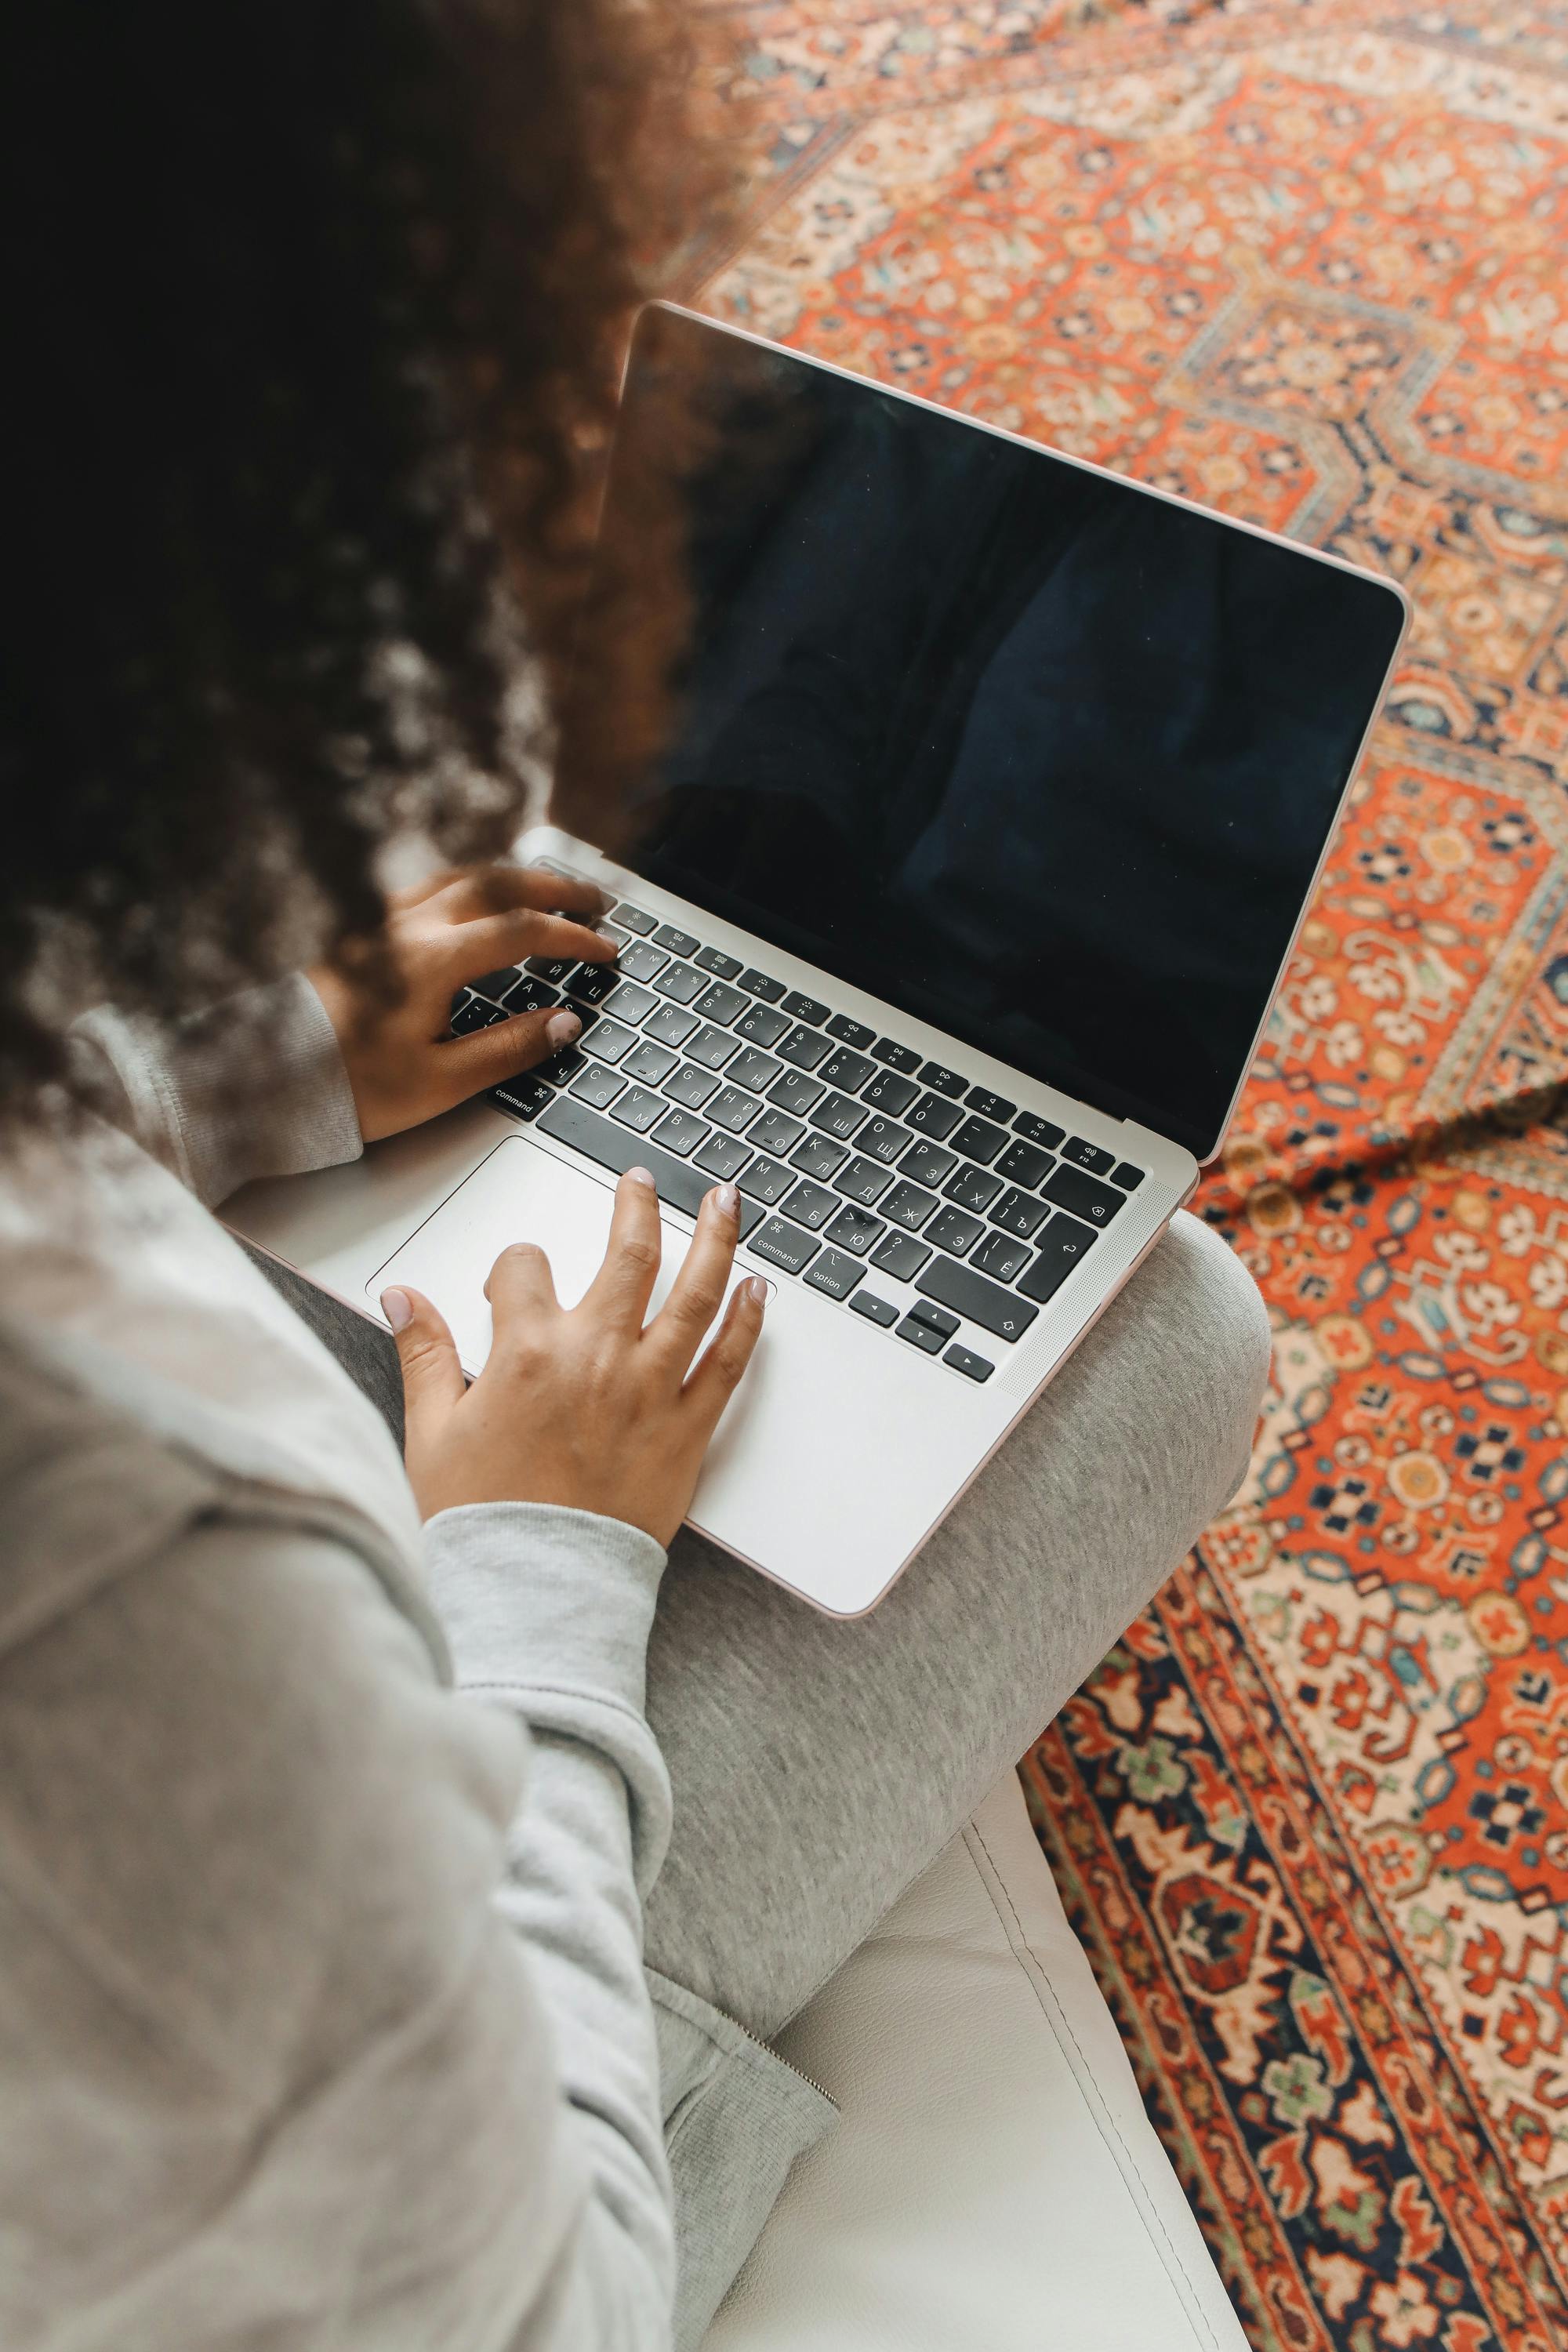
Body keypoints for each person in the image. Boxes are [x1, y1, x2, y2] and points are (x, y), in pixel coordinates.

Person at [0, 5, 1271, 2348]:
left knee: (559, 887)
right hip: (457, 2089)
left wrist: (248, 1076)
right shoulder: (151, 1596)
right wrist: (546, 1561)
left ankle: (811, 807)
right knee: (1181, 1328)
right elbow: (537, 2305)